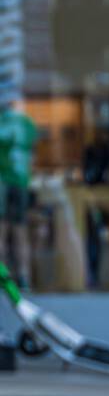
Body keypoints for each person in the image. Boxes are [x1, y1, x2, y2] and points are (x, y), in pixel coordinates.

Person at [0, 99, 38, 289]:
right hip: (21, 181)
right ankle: (23, 276)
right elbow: (32, 156)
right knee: (19, 231)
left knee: (3, 231)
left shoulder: (4, 122)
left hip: (5, 181)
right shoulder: (28, 125)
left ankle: (6, 277)